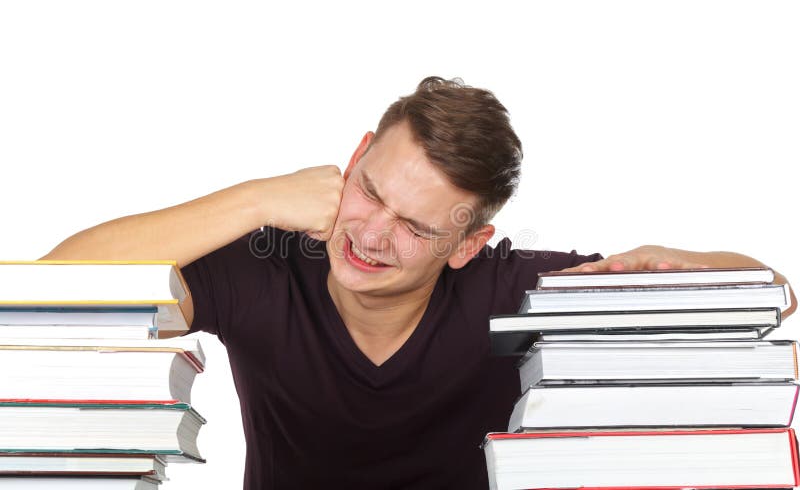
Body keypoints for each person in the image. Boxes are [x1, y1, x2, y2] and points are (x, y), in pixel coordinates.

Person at [41, 77, 797, 489]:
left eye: (415, 226)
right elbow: (55, 284)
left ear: (468, 245)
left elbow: (774, 294)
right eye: (369, 191)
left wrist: (679, 259)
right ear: (356, 155)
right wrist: (255, 200)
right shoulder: (265, 266)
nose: (371, 235)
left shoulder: (515, 292)